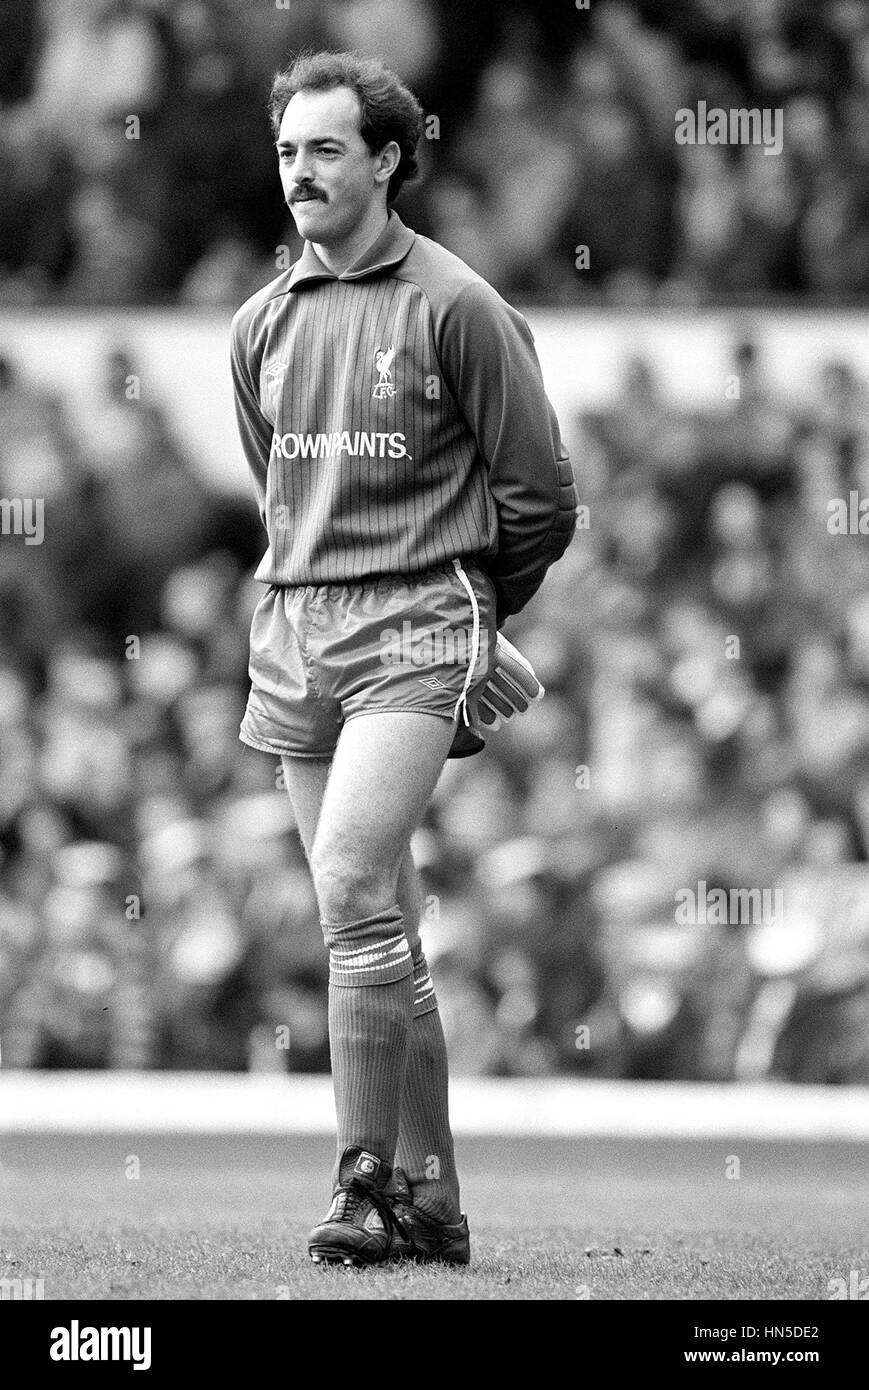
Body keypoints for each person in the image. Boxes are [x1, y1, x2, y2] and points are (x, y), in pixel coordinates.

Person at [230, 49, 577, 1267]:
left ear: (386, 158)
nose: (299, 172)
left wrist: (482, 611)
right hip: (297, 634)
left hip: (415, 626)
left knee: (343, 884)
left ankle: (363, 1182)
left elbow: (541, 495)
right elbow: (280, 490)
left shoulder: (461, 306)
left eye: (324, 148)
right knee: (378, 919)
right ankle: (433, 1201)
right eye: (286, 150)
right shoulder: (258, 324)